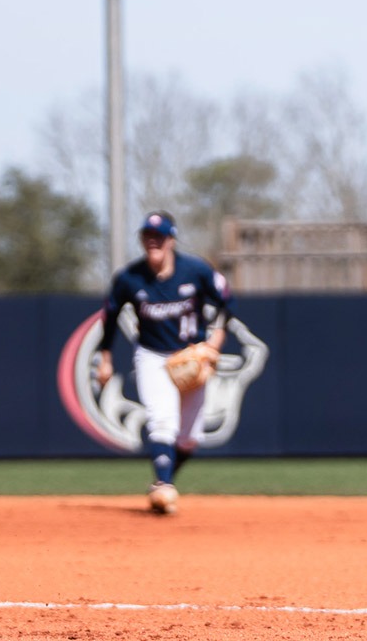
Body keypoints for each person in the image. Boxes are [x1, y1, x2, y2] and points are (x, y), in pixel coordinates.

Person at [95, 211, 237, 516]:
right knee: (162, 420)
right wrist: (105, 357)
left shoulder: (195, 270)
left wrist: (215, 341)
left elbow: (226, 299)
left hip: (191, 357)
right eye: (147, 235)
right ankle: (163, 484)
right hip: (153, 356)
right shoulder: (129, 278)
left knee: (189, 437)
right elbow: (109, 318)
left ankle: (165, 480)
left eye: (159, 236)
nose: (152, 241)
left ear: (171, 240)